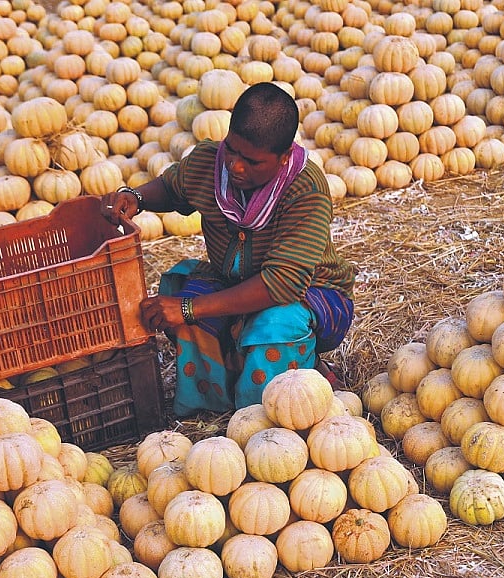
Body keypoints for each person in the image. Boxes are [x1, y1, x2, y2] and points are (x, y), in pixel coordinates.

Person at [101, 82, 355, 418]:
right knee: (179, 298)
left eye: (252, 161)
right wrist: (137, 197)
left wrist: (190, 308)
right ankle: (210, 414)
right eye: (232, 150)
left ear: (282, 159)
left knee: (272, 326)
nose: (235, 166)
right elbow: (172, 187)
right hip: (234, 284)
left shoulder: (305, 190)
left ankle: (259, 418)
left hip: (308, 296)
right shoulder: (210, 162)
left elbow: (282, 283)